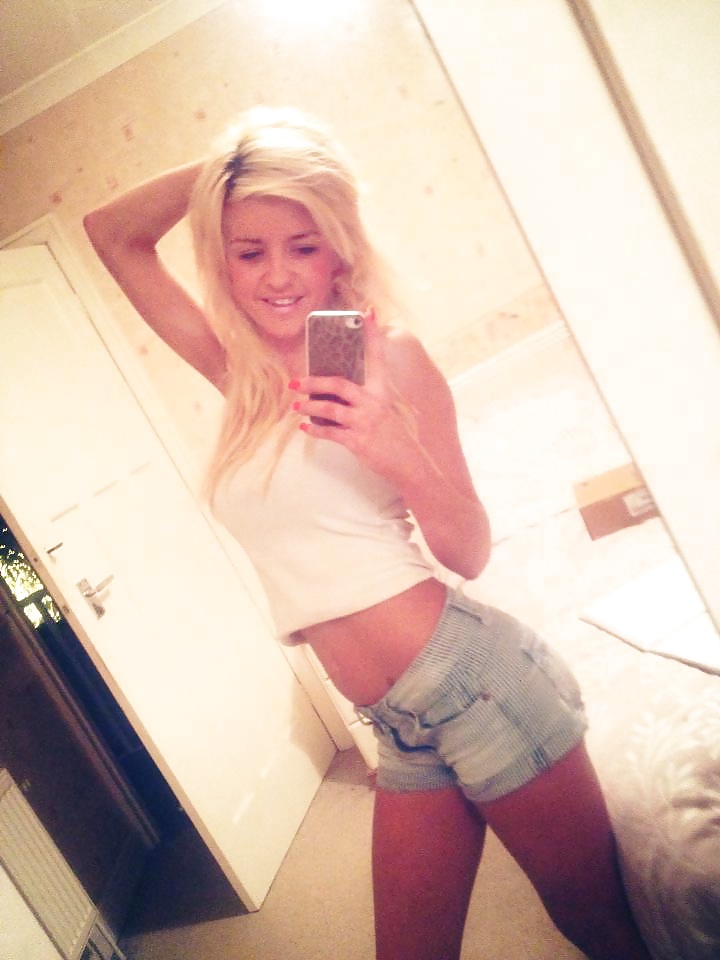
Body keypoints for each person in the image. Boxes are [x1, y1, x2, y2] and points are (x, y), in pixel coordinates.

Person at [84, 106, 652, 960]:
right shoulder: (242, 376)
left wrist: (395, 451)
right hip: (395, 721)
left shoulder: (392, 358)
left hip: (477, 682)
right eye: (249, 251)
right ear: (223, 260)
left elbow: (468, 550)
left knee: (600, 930)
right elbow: (112, 234)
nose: (278, 275)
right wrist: (232, 162)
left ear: (338, 249)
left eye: (303, 244)